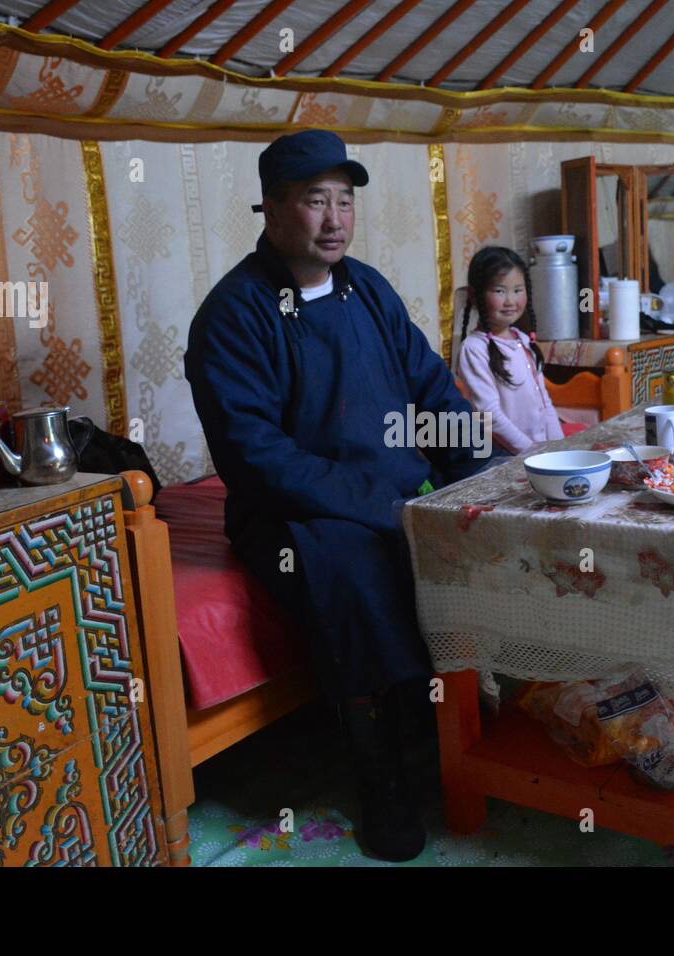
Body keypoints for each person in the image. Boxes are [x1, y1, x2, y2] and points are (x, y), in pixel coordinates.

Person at [184, 129, 487, 862]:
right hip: (291, 513)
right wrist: (377, 507)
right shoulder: (234, 314)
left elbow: (429, 388)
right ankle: (380, 775)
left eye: (344, 201)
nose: (334, 220)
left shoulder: (368, 288)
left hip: (390, 490)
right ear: (272, 209)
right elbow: (257, 458)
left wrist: (477, 468)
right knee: (354, 565)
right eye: (315, 200)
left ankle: (463, 728)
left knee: (484, 518)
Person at [455, 246, 566, 455]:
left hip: (540, 454)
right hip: (507, 458)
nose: (510, 301)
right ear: (474, 295)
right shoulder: (474, 349)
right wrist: (531, 452)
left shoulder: (523, 340)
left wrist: (559, 447)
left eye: (517, 290)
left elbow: (545, 401)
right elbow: (489, 416)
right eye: (499, 291)